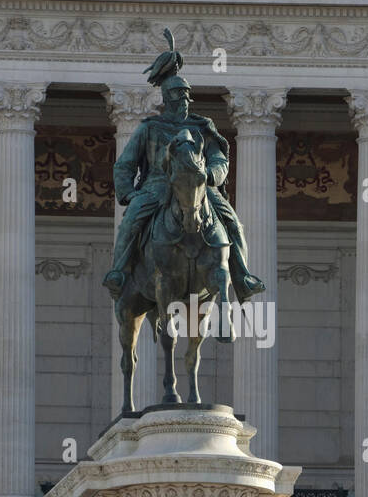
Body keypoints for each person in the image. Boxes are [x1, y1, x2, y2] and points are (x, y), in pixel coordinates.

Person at [103, 32, 265, 304]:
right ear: (167, 99)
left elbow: (219, 159)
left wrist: (211, 175)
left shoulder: (201, 127)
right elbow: (125, 165)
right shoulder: (150, 128)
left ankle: (243, 277)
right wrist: (129, 194)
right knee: (131, 221)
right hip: (157, 187)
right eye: (179, 98)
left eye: (187, 97)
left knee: (233, 223)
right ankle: (119, 272)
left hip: (197, 185)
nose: (185, 103)